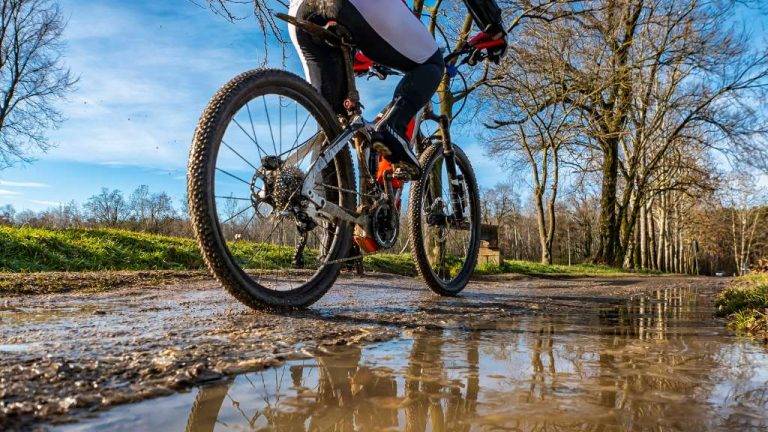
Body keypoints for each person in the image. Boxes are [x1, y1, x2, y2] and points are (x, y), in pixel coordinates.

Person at [288, 0, 506, 178]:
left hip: (300, 11)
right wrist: (493, 24)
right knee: (431, 63)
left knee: (332, 124)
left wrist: (364, 58)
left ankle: (327, 211)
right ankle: (393, 128)